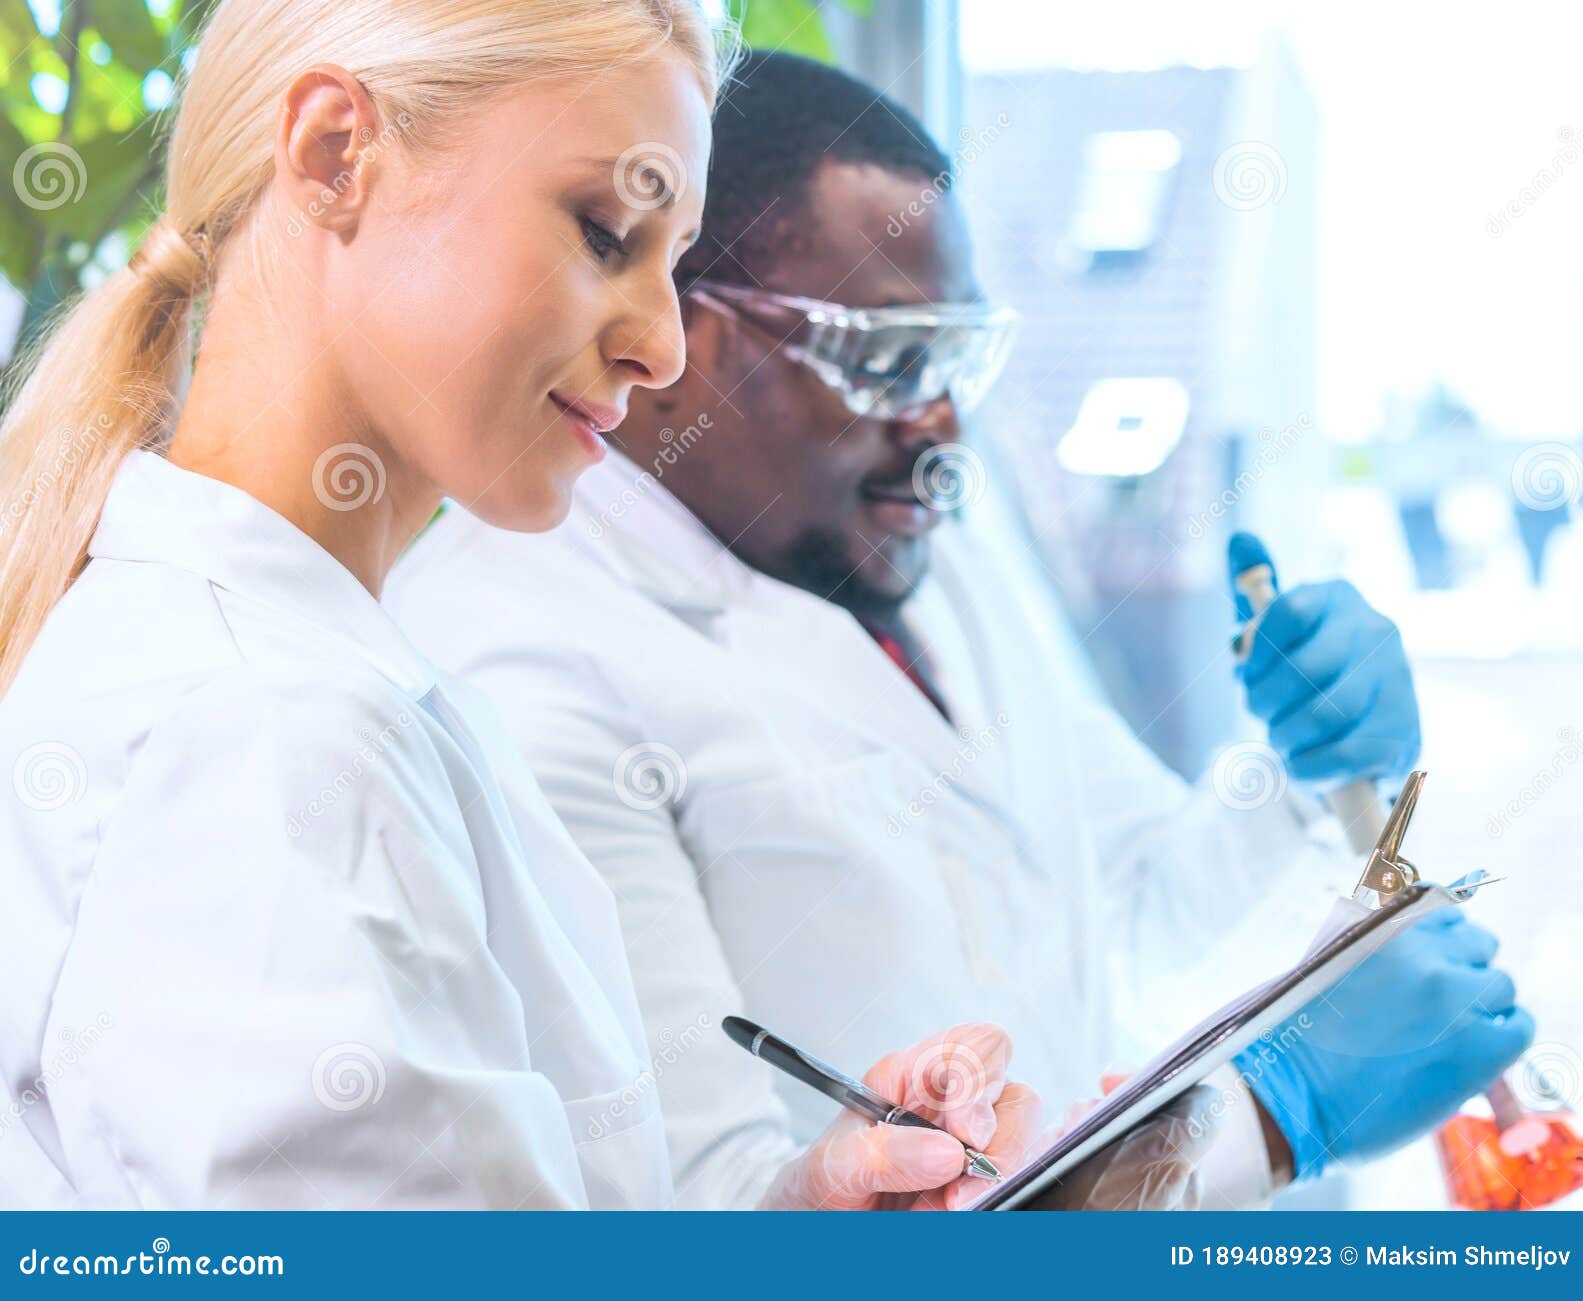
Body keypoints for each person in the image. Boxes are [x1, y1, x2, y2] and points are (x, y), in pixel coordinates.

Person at [383, 49, 1535, 1209]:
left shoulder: (925, 564)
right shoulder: (508, 665)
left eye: (955, 355)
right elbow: (711, 1219)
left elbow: (1125, 910)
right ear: (670, 329)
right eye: (885, 358)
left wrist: (1298, 777)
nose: (937, 423)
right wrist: (1268, 1120)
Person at [0, 4, 1046, 1212]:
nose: (660, 346)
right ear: (338, 152)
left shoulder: (307, 670)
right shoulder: (269, 729)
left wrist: (803, 1217)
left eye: (675, 257)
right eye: (605, 233)